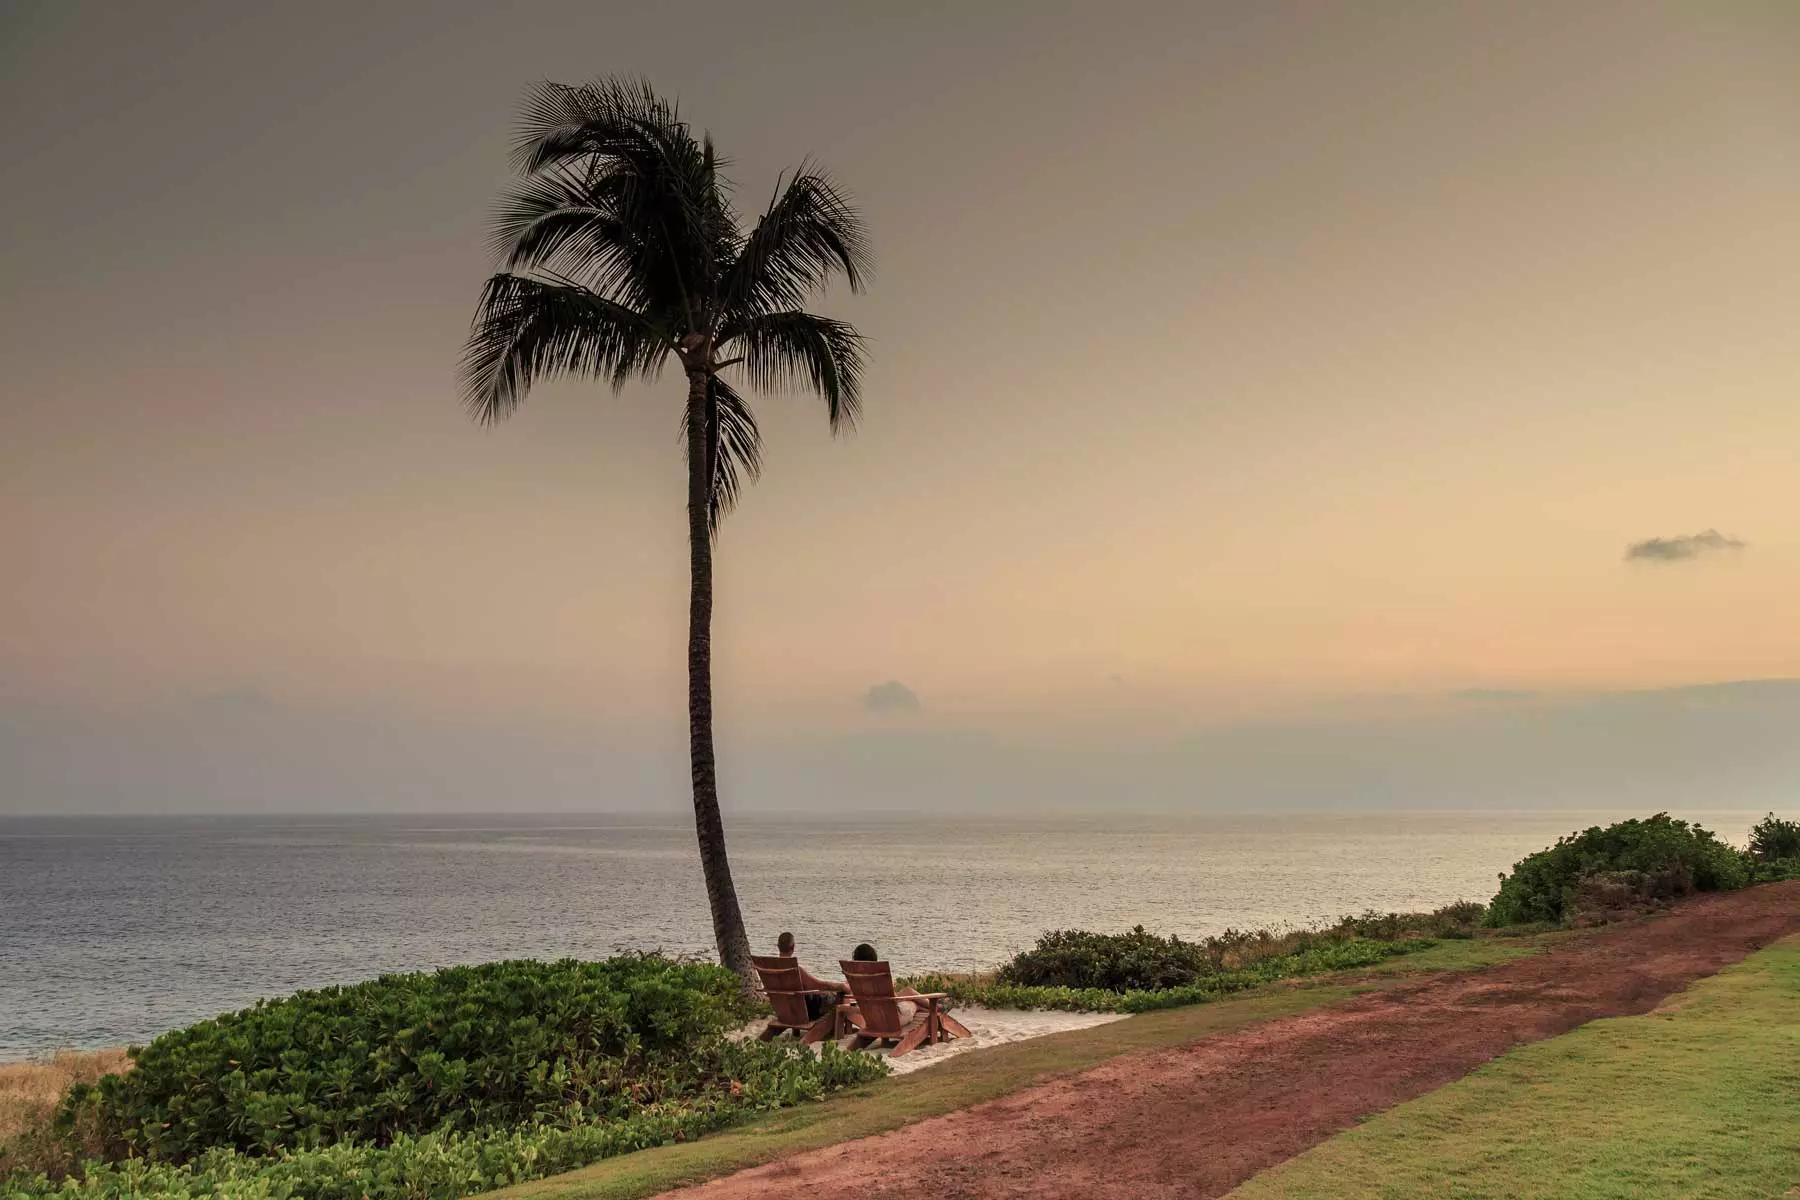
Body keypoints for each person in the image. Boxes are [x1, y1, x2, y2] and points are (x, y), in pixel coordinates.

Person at [850, 942, 929, 1025]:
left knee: (908, 991)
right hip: (893, 1021)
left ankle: (928, 1007)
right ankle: (934, 1006)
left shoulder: (854, 978)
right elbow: (893, 1000)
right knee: (912, 1002)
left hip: (871, 1020)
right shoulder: (878, 977)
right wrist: (892, 987)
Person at [777, 931, 849, 1021]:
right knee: (839, 994)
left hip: (784, 1011)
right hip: (805, 1011)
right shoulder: (795, 970)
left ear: (778, 947)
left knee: (824, 993)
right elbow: (817, 985)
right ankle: (839, 1027)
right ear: (793, 947)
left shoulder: (770, 968)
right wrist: (840, 986)